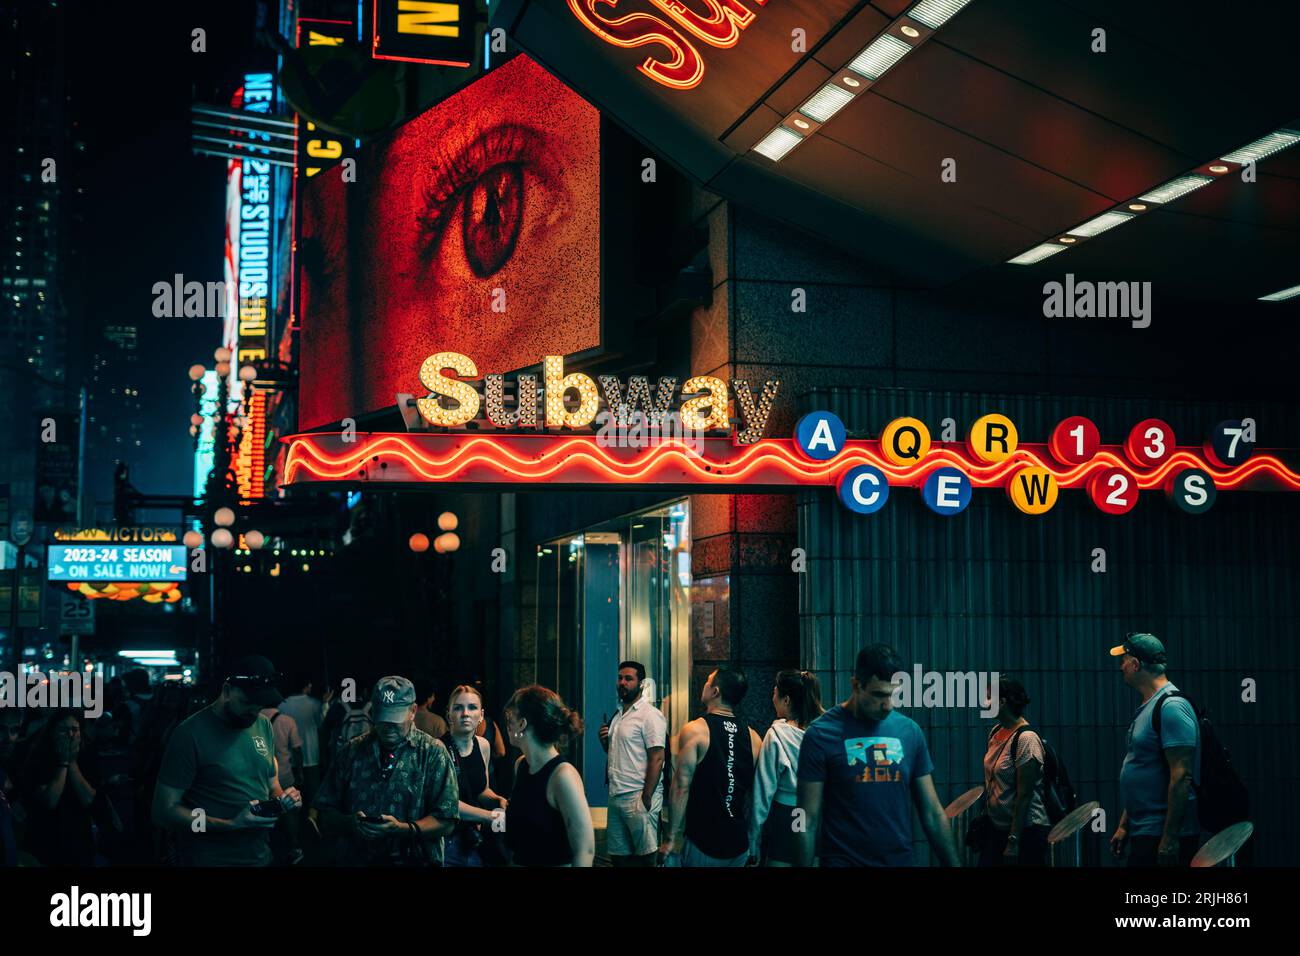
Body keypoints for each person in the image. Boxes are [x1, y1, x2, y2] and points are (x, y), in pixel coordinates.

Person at [795, 644, 960, 867]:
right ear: (856, 685)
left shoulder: (909, 732)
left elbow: (932, 813)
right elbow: (805, 817)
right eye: (879, 695)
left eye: (893, 694)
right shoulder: (819, 735)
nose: (888, 705)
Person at [152, 655, 303, 866]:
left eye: (260, 704)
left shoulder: (263, 725)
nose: (254, 711)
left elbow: (271, 784)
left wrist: (285, 800)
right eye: (247, 702)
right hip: (209, 860)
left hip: (259, 857)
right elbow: (163, 812)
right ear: (227, 691)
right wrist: (229, 824)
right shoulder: (189, 734)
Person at [313, 676, 459, 866]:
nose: (388, 726)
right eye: (383, 719)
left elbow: (447, 821)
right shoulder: (351, 751)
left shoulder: (433, 753)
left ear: (413, 711)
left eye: (395, 719)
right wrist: (350, 823)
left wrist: (404, 829)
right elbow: (325, 814)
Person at [1108, 633, 1201, 867]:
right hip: (1145, 831)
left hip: (1161, 834)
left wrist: (1169, 838)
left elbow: (1181, 776)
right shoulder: (1148, 707)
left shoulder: (1171, 706)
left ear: (1135, 664)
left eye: (1124, 660)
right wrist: (1125, 825)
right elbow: (1143, 765)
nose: (1120, 666)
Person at [658, 666, 762, 867]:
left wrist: (671, 838)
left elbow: (681, 787)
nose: (704, 685)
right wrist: (754, 841)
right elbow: (756, 795)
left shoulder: (695, 731)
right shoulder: (754, 738)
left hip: (703, 842)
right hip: (738, 844)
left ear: (715, 691)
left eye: (707, 681)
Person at [503, 685, 594, 866]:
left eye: (509, 718)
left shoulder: (562, 776)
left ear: (522, 724)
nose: (507, 725)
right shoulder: (521, 765)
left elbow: (585, 851)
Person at [750, 669, 824, 866]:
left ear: (786, 700)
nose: (772, 698)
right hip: (819, 815)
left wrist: (753, 839)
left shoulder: (777, 735)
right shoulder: (825, 732)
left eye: (775, 692)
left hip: (786, 817)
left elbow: (762, 793)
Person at [599, 661, 667, 867]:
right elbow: (621, 754)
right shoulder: (619, 715)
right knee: (618, 858)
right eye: (620, 678)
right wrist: (605, 742)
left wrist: (646, 797)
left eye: (629, 678)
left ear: (641, 684)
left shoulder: (650, 715)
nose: (622, 682)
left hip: (637, 796)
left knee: (647, 858)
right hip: (616, 795)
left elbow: (657, 757)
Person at [977, 677, 1050, 866]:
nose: (984, 702)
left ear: (1002, 702)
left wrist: (1013, 841)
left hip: (1025, 832)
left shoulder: (1026, 739)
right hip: (996, 828)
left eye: (989, 697)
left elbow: (1024, 795)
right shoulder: (995, 732)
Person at [440, 684, 508, 867]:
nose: (465, 713)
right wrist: (488, 816)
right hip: (447, 840)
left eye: (472, 707)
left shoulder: (483, 745)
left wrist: (496, 800)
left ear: (481, 715)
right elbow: (446, 802)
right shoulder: (438, 748)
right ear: (449, 715)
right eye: (458, 708)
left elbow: (482, 790)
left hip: (473, 839)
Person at [22, 709, 101, 866]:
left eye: (74, 729)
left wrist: (72, 763)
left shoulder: (88, 756)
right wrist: (63, 762)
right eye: (64, 730)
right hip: (46, 841)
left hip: (79, 843)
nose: (70, 735)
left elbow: (88, 799)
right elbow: (50, 800)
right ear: (52, 733)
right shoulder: (38, 759)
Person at [277, 674, 326, 807]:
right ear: (307, 685)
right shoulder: (314, 704)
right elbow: (321, 726)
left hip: (291, 759)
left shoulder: (283, 705)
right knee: (313, 794)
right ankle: (312, 817)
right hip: (311, 755)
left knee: (293, 797)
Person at [413, 676, 448, 741]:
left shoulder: (405, 718)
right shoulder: (438, 722)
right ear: (428, 697)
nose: (434, 698)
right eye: (433, 696)